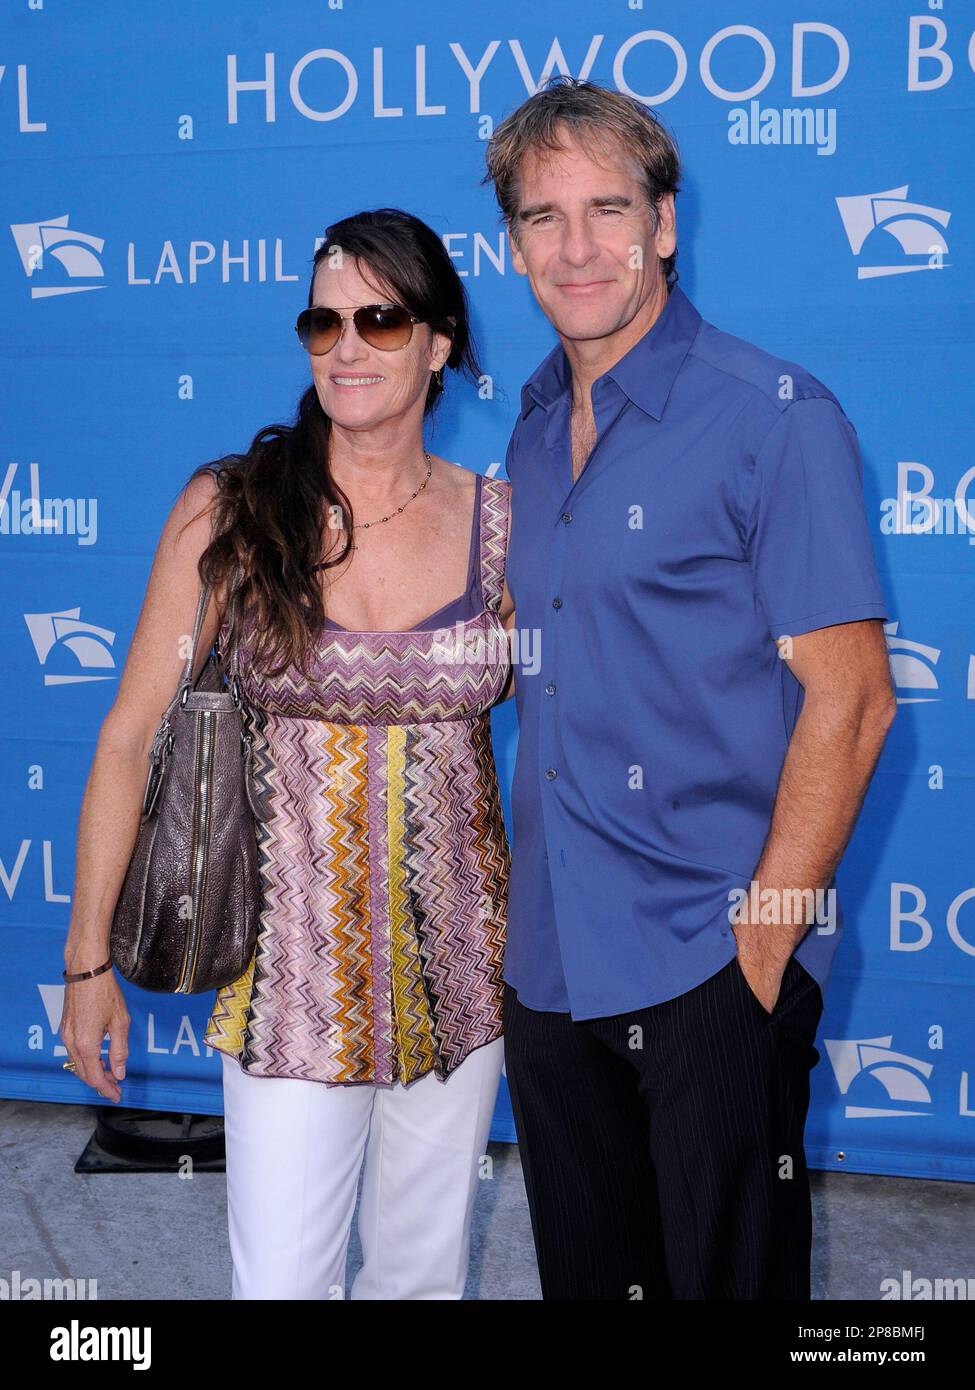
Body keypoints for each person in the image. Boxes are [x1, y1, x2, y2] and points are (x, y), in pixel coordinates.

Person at [482, 77, 896, 1300]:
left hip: (707, 959)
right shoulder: (531, 425)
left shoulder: (773, 416)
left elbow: (856, 697)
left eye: (608, 209)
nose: (578, 246)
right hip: (552, 965)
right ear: (514, 246)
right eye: (545, 217)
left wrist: (760, 950)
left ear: (665, 222)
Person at [59, 207, 517, 1300]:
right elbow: (128, 738)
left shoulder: (505, 520)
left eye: (381, 317)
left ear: (441, 340)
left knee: (421, 1279)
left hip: (464, 975)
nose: (347, 345)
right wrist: (85, 964)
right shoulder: (231, 510)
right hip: (285, 987)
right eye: (323, 320)